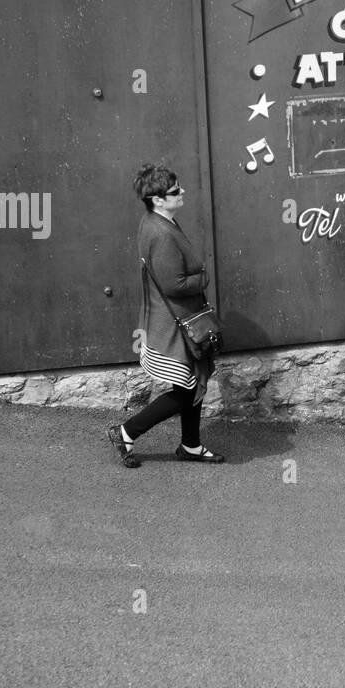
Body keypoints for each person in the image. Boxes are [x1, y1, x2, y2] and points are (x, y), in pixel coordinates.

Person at [107, 163, 224, 468]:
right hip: (175, 324)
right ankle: (125, 432)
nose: (181, 191)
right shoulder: (161, 233)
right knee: (186, 390)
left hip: (171, 320)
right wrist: (203, 278)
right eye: (175, 191)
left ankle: (191, 445)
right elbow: (175, 284)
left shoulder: (155, 222)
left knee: (191, 383)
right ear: (157, 199)